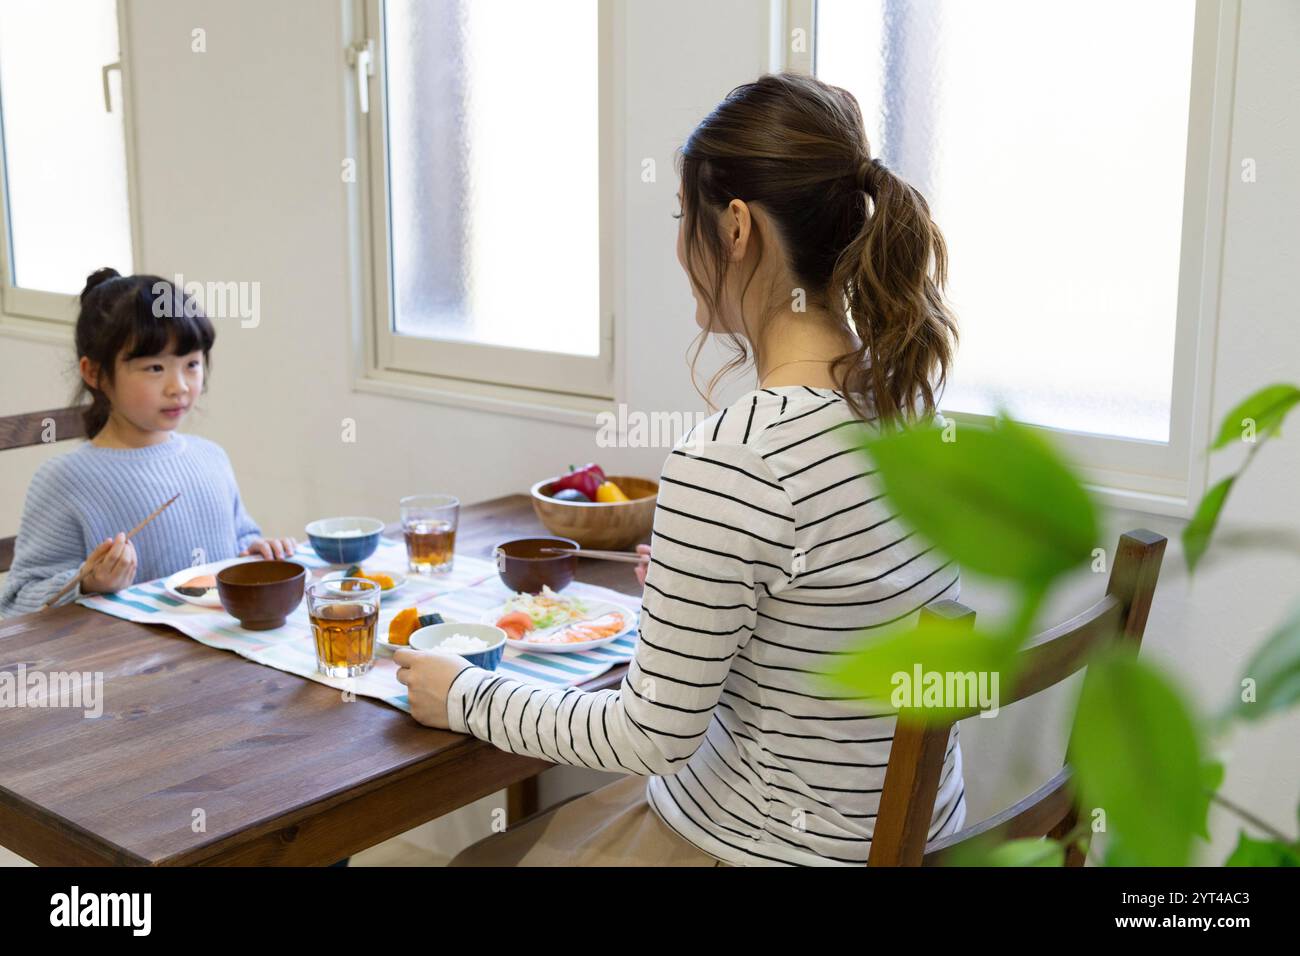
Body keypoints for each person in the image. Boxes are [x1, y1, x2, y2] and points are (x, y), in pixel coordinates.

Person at [394, 71, 963, 866]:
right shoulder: (911, 411)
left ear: (736, 228)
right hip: (903, 838)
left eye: (680, 217)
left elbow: (648, 735)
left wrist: (462, 692)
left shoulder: (736, 457)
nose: (677, 245)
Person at [0, 269, 296, 618]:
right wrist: (86, 583)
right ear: (94, 373)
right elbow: (17, 603)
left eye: (191, 364)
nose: (179, 387)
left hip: (217, 654)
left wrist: (256, 552)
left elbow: (239, 541)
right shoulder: (64, 479)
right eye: (155, 368)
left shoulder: (211, 458)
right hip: (129, 665)